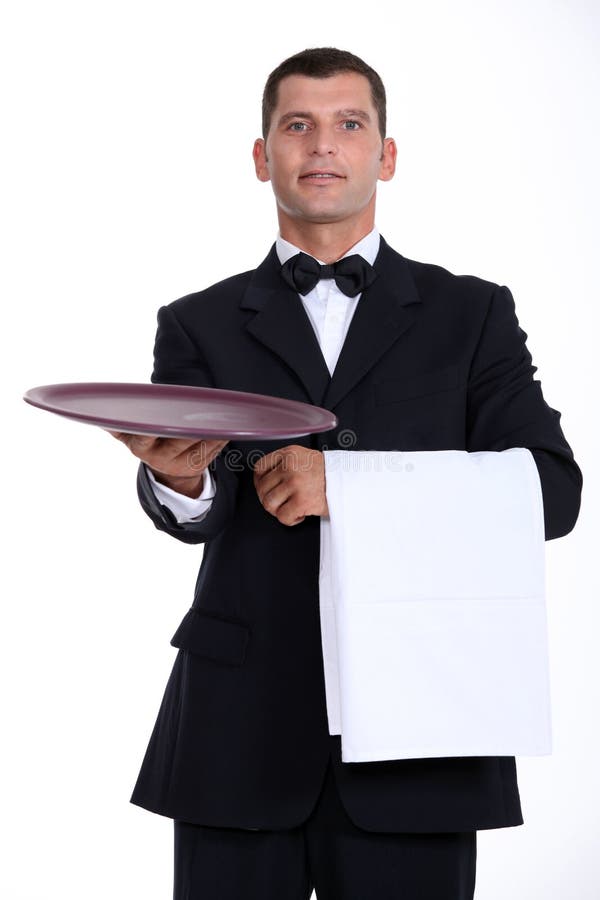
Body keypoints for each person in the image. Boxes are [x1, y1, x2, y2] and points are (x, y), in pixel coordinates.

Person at [110, 47, 583, 900]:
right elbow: (194, 510)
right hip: (238, 729)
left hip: (424, 727)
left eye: (347, 124)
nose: (321, 145)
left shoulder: (473, 313)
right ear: (262, 157)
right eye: (297, 125)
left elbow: (550, 493)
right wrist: (181, 484)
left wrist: (351, 490)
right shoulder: (196, 323)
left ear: (385, 154)